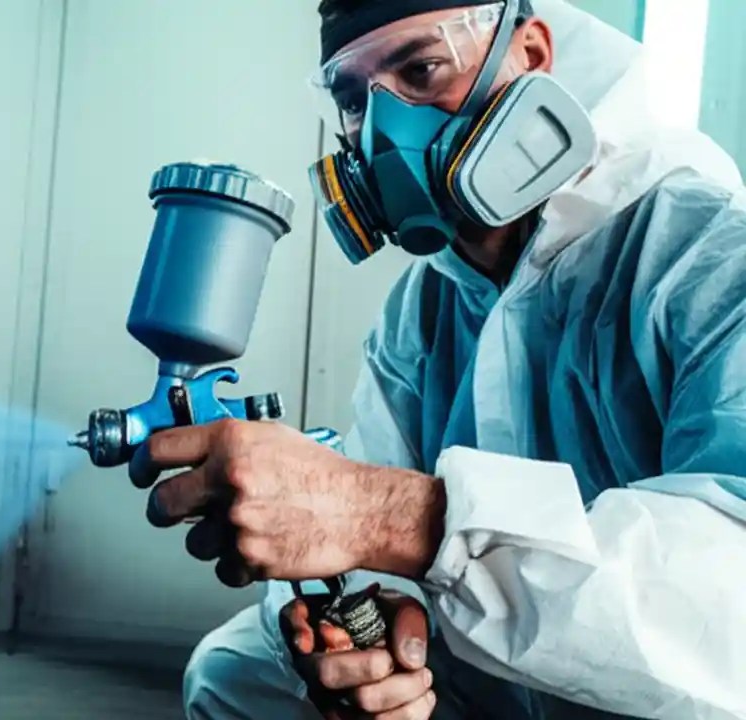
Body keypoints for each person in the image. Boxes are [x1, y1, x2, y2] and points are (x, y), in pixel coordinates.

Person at [131, 0, 746, 718]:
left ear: (531, 57)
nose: (386, 133)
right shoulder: (424, 306)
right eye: (355, 101)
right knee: (234, 673)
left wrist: (396, 519)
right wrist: (374, 640)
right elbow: (357, 525)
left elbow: (725, 601)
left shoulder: (708, 258)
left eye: (421, 70)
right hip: (490, 682)